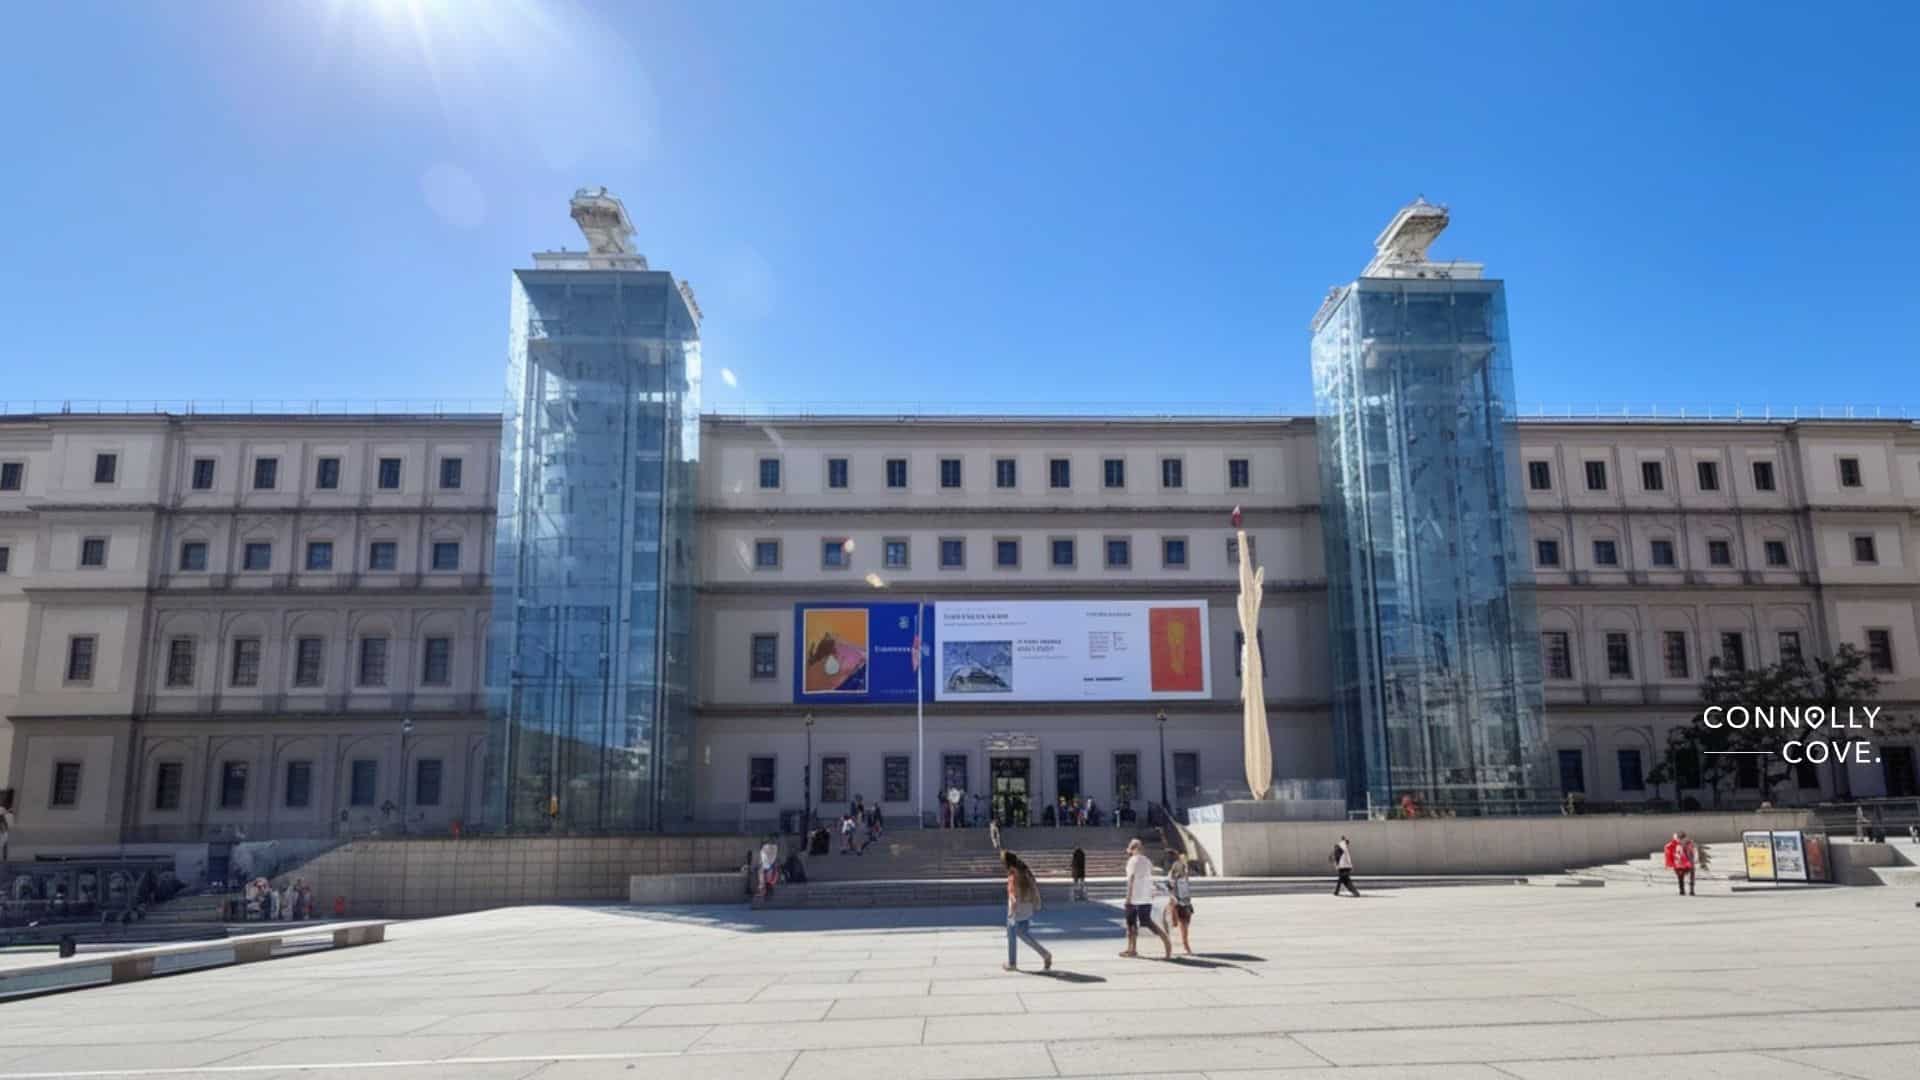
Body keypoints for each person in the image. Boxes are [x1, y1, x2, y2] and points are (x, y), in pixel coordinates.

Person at [1119, 838, 1172, 960]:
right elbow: (1149, 878)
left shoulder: (1132, 860)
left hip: (1134, 897)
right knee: (1148, 922)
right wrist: (1151, 892)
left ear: (1132, 849)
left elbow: (1131, 878)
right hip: (1145, 898)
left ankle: (1132, 949)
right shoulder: (1147, 861)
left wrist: (1128, 897)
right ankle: (1166, 943)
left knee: (1131, 924)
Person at [1002, 851, 1052, 972]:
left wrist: (1011, 913)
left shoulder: (1012, 876)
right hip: (1027, 908)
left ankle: (1012, 963)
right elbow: (1034, 888)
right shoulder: (1025, 872)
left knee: (1013, 936)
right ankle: (1045, 954)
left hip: (1016, 910)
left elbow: (1013, 896)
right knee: (1022, 934)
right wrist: (1037, 902)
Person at [1166, 851, 1195, 954]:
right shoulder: (1172, 876)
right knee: (1181, 925)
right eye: (1181, 860)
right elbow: (1170, 889)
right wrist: (1172, 905)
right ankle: (1184, 946)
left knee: (1185, 925)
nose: (1182, 863)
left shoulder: (1185, 872)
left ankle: (1184, 944)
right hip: (1177, 903)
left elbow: (1186, 888)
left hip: (1186, 902)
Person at [1664, 831, 1695, 896]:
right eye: (1677, 839)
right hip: (1679, 864)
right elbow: (1668, 848)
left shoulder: (1689, 844)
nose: (1679, 840)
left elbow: (1692, 852)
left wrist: (1692, 860)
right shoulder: (1674, 844)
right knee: (1680, 877)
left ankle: (1691, 890)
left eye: (1680, 839)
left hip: (1688, 863)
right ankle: (1682, 890)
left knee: (1691, 876)